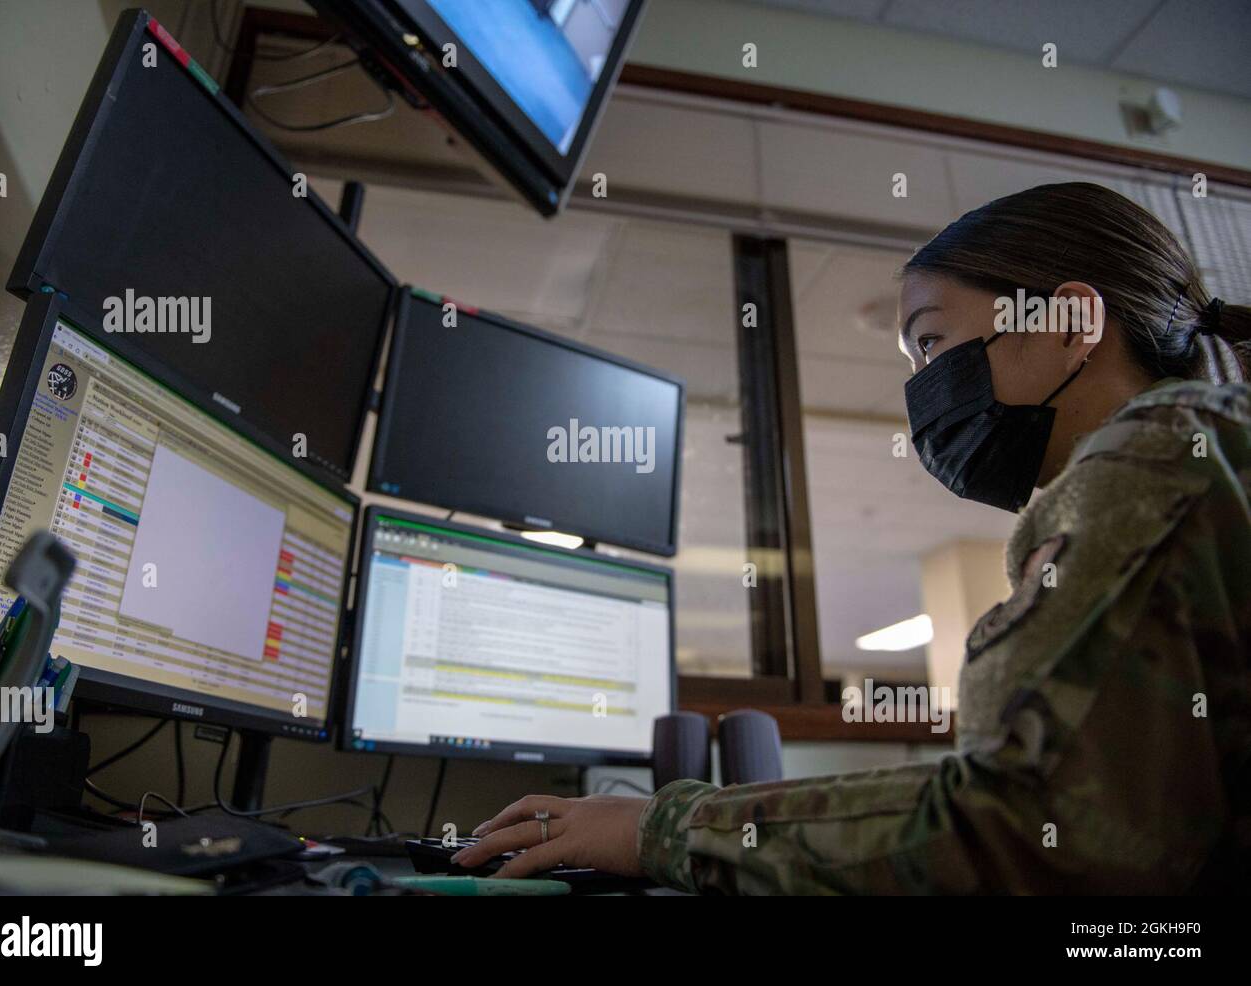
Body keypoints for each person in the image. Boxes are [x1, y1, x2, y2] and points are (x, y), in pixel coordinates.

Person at [452, 182, 1251, 894]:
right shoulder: (1204, 449)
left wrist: (654, 829)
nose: (921, 390)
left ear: (1072, 323)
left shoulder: (1148, 467)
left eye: (932, 343)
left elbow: (1021, 830)